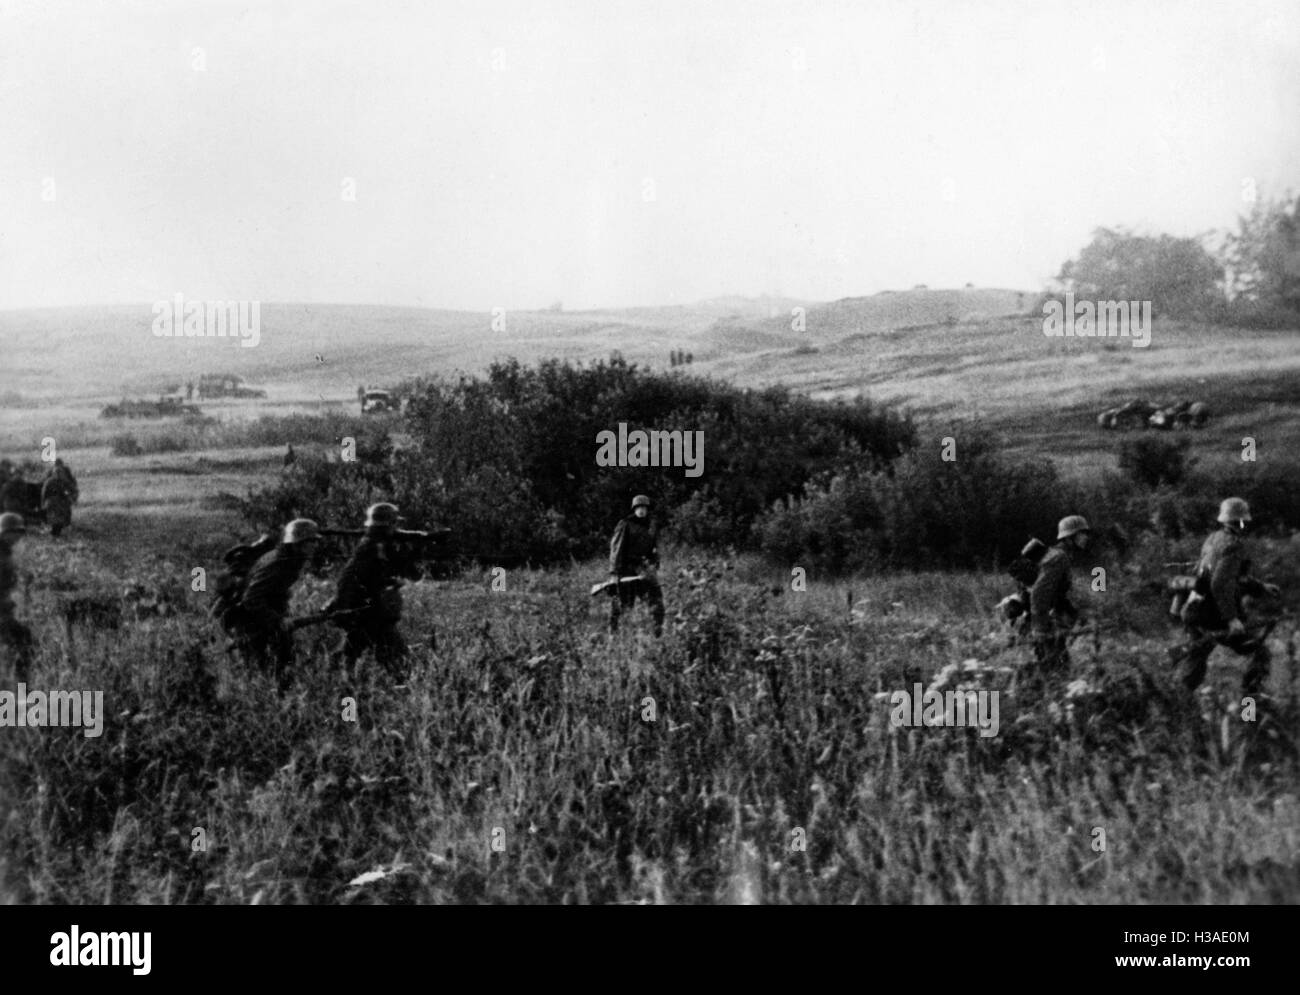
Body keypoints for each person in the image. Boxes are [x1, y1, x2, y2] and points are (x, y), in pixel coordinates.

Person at [1173, 497, 1279, 697]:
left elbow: (1230, 577)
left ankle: (1176, 702)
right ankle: (1252, 705)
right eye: (1244, 521)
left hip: (1195, 608)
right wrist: (1232, 619)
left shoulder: (1213, 538)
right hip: (1213, 615)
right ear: (1241, 522)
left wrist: (1261, 587)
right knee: (1258, 651)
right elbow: (1220, 583)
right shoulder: (1233, 545)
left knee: (1196, 660)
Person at [328, 503, 420, 679]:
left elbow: (373, 575)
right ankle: (401, 682)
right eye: (394, 524)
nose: (396, 528)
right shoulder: (374, 547)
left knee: (354, 649)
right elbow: (351, 578)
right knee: (396, 656)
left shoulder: (373, 545)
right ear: (388, 525)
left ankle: (339, 677)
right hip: (368, 609)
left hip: (363, 607)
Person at [234, 519, 320, 686]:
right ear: (297, 544)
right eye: (311, 541)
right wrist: (278, 620)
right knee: (267, 674)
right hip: (253, 622)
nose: (315, 545)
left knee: (283, 665)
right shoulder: (278, 563)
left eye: (315, 541)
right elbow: (251, 598)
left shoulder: (289, 559)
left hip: (265, 617)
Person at [1028, 515, 1091, 676]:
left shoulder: (1060, 555)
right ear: (1070, 537)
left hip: (1047, 618)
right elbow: (1038, 593)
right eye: (1082, 533)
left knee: (1056, 665)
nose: (1086, 537)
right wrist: (1040, 628)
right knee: (1055, 668)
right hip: (1042, 621)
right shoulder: (1059, 557)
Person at [608, 494, 665, 637]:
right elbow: (616, 549)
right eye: (639, 507)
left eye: (644, 507)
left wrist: (654, 563)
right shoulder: (625, 524)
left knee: (656, 600)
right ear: (634, 509)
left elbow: (654, 549)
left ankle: (657, 633)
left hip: (644, 569)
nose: (641, 510)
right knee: (623, 604)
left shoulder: (651, 526)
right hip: (626, 569)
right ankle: (614, 635)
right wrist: (614, 573)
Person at [0, 513, 34, 681]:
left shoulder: (5, 550)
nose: (18, 537)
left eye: (20, 533)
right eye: (15, 533)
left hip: (4, 609)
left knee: (21, 640)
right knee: (23, 640)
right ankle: (22, 685)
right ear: (5, 532)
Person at [41, 459, 78, 538]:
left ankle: (56, 530)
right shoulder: (51, 480)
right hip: (54, 502)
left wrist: (71, 497)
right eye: (57, 473)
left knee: (60, 517)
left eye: (59, 473)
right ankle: (55, 531)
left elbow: (71, 487)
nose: (58, 474)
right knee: (57, 517)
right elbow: (44, 492)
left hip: (58, 501)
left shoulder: (60, 479)